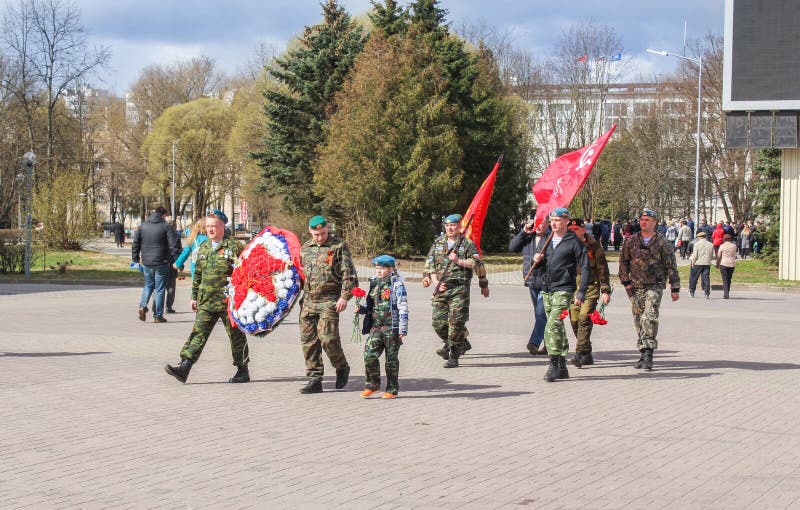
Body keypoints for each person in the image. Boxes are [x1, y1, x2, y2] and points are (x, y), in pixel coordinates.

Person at [164, 210, 250, 383]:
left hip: (228, 301)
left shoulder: (234, 247)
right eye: (208, 226)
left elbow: (245, 273)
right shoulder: (202, 247)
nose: (210, 230)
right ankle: (185, 366)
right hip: (206, 300)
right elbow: (198, 275)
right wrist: (194, 296)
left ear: (222, 226)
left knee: (236, 335)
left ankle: (242, 369)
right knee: (198, 333)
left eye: (213, 226)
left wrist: (242, 297)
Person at [298, 215, 358, 394]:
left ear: (327, 229)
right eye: (316, 234)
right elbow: (300, 276)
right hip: (308, 301)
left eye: (323, 233)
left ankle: (341, 366)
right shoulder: (304, 249)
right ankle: (314, 378)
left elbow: (349, 273)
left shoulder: (338, 246)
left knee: (327, 338)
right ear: (310, 231)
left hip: (330, 300)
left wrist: (344, 297)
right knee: (309, 342)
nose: (320, 237)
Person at [422, 214, 489, 368]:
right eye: (447, 225)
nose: (449, 228)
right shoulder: (438, 243)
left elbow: (477, 263)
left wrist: (482, 283)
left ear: (460, 226)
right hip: (441, 289)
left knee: (456, 323)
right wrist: (434, 280)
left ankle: (453, 354)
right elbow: (429, 263)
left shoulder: (466, 244)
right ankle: (461, 342)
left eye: (453, 225)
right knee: (438, 323)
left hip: (459, 289)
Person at [532, 208, 589, 382]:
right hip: (547, 288)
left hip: (564, 288)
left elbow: (585, 266)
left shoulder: (573, 241)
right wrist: (537, 261)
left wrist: (581, 292)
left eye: (557, 220)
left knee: (552, 324)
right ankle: (562, 365)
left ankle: (553, 363)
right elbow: (541, 267)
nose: (554, 223)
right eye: (552, 220)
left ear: (566, 221)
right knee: (557, 326)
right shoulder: (546, 240)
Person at [618, 208, 680, 371]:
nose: (643, 222)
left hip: (654, 285)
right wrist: (626, 283)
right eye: (642, 219)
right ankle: (643, 350)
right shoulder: (631, 241)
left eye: (647, 220)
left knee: (649, 317)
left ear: (655, 222)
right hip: (635, 286)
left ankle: (649, 354)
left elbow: (671, 265)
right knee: (639, 319)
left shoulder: (662, 242)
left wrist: (675, 287)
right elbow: (623, 263)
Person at [354, 255, 408, 399]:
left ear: (391, 269)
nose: (379, 271)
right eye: (377, 268)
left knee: (391, 359)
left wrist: (403, 329)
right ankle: (373, 385)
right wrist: (362, 309)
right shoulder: (374, 282)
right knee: (369, 354)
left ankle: (392, 389)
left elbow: (403, 306)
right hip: (376, 326)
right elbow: (372, 305)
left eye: (383, 268)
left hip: (392, 327)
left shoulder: (396, 284)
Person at [566, 218, 611, 367]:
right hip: (574, 288)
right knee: (574, 320)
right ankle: (586, 351)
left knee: (584, 318)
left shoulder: (593, 246)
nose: (573, 232)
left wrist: (605, 290)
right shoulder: (566, 244)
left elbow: (602, 268)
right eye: (570, 230)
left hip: (591, 287)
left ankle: (579, 353)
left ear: (583, 229)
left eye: (576, 229)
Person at [132, 206, 178, 323]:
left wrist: (136, 258)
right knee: (160, 289)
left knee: (148, 285)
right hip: (162, 261)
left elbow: (135, 243)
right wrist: (177, 260)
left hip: (146, 261)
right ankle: (158, 316)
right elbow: (173, 245)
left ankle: (142, 306)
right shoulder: (166, 226)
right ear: (164, 215)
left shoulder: (143, 225)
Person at [509, 219, 548, 355]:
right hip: (531, 280)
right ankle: (550, 344)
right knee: (542, 315)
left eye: (542, 222)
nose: (538, 225)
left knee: (541, 313)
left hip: (546, 282)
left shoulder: (551, 238)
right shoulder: (528, 237)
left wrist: (544, 257)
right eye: (536, 222)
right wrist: (523, 232)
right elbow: (512, 248)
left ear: (548, 224)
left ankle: (534, 342)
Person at [688, 231, 714, 299]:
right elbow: (712, 255)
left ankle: (692, 291)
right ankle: (707, 292)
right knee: (706, 278)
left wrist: (693, 262)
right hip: (706, 263)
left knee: (694, 278)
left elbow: (695, 255)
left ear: (699, 237)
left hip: (698, 263)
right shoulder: (710, 244)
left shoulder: (697, 244)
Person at [164, 219, 182, 314]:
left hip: (162, 262)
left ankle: (157, 306)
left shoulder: (162, 235)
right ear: (175, 227)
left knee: (160, 286)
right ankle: (168, 306)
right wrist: (180, 264)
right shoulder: (176, 237)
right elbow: (179, 251)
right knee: (171, 286)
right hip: (172, 263)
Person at [716, 233, 737, 299]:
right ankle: (727, 292)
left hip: (724, 263)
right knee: (729, 279)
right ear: (730, 239)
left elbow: (719, 256)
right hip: (732, 263)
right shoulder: (734, 246)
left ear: (724, 239)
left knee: (724, 279)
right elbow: (735, 254)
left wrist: (717, 264)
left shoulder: (722, 246)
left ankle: (726, 294)